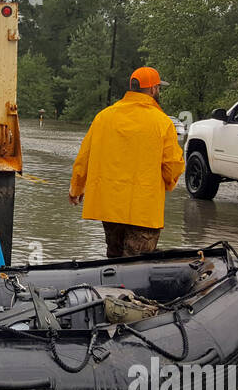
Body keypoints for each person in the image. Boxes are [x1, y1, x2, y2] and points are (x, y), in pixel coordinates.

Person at [69, 67, 184, 258]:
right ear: (153, 89)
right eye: (158, 88)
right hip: (144, 209)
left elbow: (85, 157)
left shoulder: (103, 117)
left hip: (110, 207)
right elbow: (172, 166)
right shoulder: (162, 123)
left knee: (113, 260)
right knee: (137, 264)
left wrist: (76, 187)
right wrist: (168, 183)